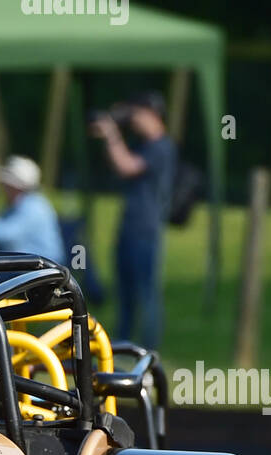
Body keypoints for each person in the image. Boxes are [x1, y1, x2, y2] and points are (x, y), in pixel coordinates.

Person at [91, 91, 177, 347]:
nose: (135, 121)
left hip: (146, 231)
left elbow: (126, 166)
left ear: (152, 114)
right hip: (129, 229)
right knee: (125, 295)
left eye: (137, 114)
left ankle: (149, 351)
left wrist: (112, 135)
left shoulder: (161, 146)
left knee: (147, 295)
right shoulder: (142, 145)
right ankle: (121, 347)